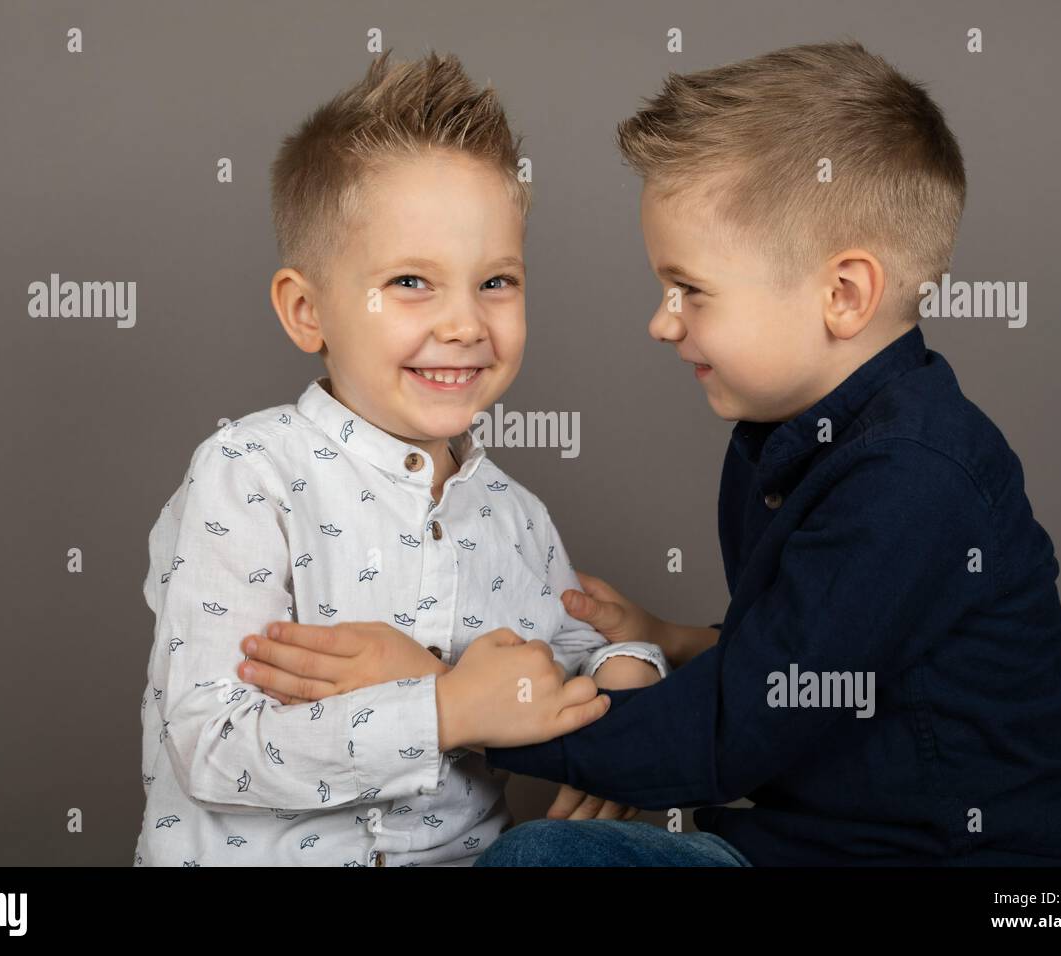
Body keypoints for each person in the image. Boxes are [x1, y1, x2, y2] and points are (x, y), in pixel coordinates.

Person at [251, 41, 1061, 867]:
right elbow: (818, 643)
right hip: (795, 846)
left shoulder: (915, 478)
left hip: (983, 870)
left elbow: (730, 733)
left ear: (843, 294)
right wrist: (681, 641)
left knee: (540, 858)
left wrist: (455, 703)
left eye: (690, 291)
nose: (662, 321)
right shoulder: (786, 441)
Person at [133, 50, 666, 868]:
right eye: (412, 281)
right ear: (307, 310)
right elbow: (211, 745)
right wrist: (445, 710)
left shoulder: (514, 517)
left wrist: (630, 667)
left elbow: (567, 660)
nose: (464, 323)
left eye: (496, 282)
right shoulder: (247, 477)